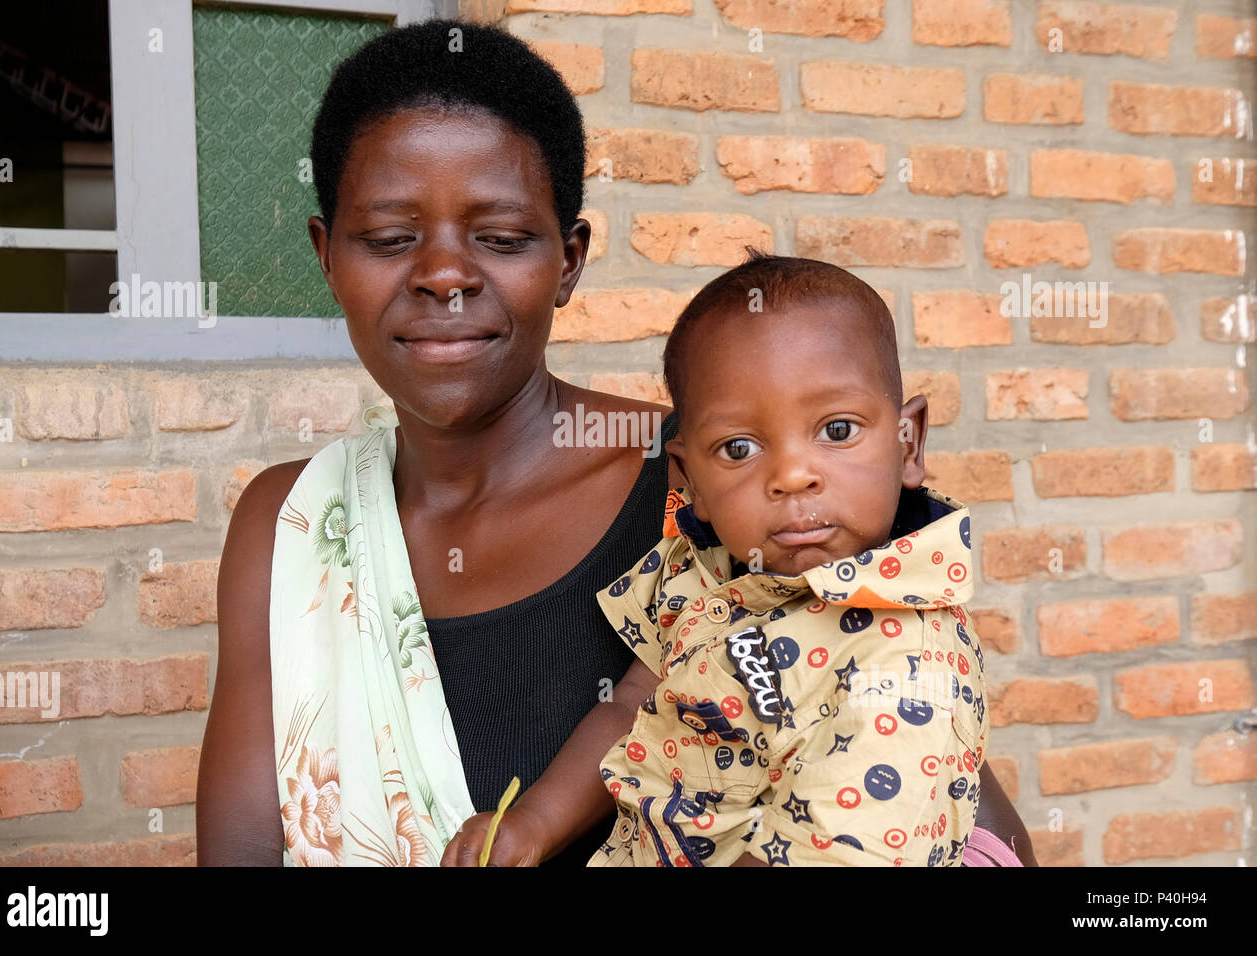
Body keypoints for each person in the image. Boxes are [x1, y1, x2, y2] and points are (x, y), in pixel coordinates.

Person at [195, 18, 1037, 867]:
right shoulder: (294, 526)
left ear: (568, 261)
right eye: (387, 239)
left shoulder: (724, 487)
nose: (444, 277)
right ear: (327, 255)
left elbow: (963, 818)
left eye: (501, 237)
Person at [443, 253, 1000, 866]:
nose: (792, 476)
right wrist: (535, 823)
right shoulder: (703, 574)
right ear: (692, 481)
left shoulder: (909, 664)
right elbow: (634, 706)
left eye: (837, 430)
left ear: (908, 442)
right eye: (739, 447)